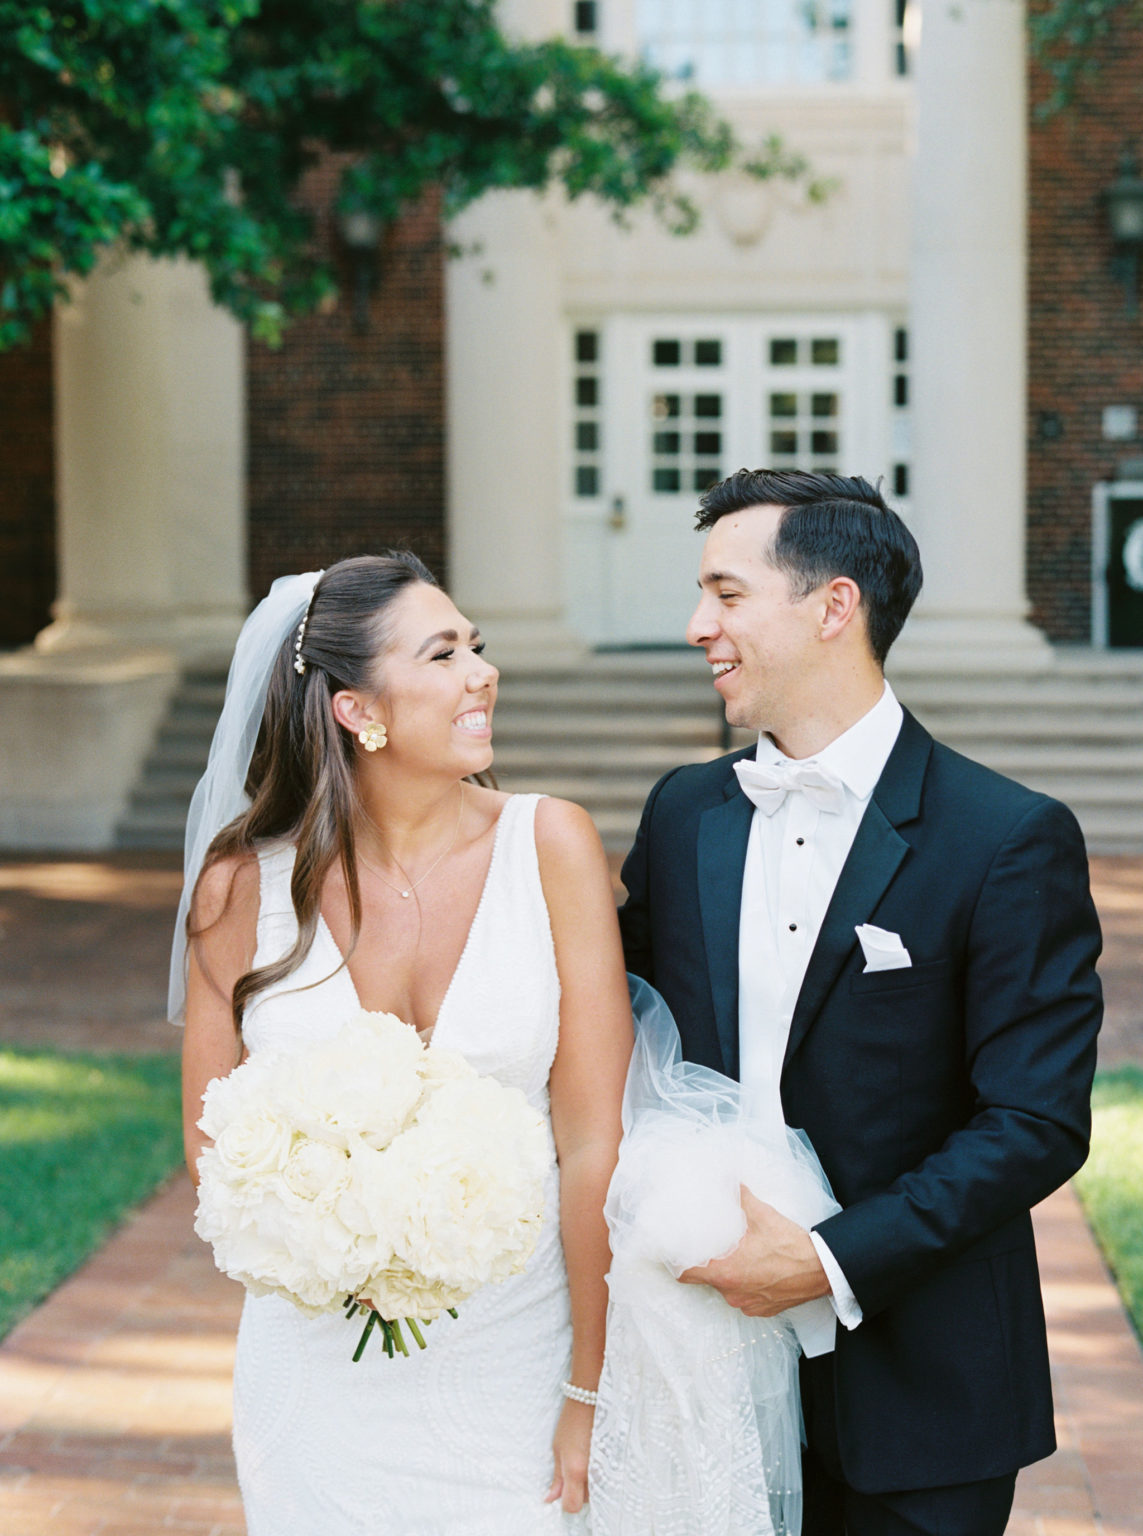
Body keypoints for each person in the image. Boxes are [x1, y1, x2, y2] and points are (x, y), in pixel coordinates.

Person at [619, 469, 1103, 1536]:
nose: (699, 626)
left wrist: (829, 1261)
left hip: (922, 1387)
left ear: (835, 606)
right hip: (698, 1373)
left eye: (727, 594)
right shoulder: (685, 812)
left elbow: (1033, 1121)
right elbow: (613, 1017)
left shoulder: (1007, 838)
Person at [174, 552, 632, 1534]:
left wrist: (589, 1386)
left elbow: (596, 1140)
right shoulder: (237, 890)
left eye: (477, 645)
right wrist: (335, 1229)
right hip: (315, 1375)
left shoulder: (552, 846)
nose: (481, 672)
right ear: (356, 710)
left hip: (517, 1357)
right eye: (442, 653)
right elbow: (213, 1156)